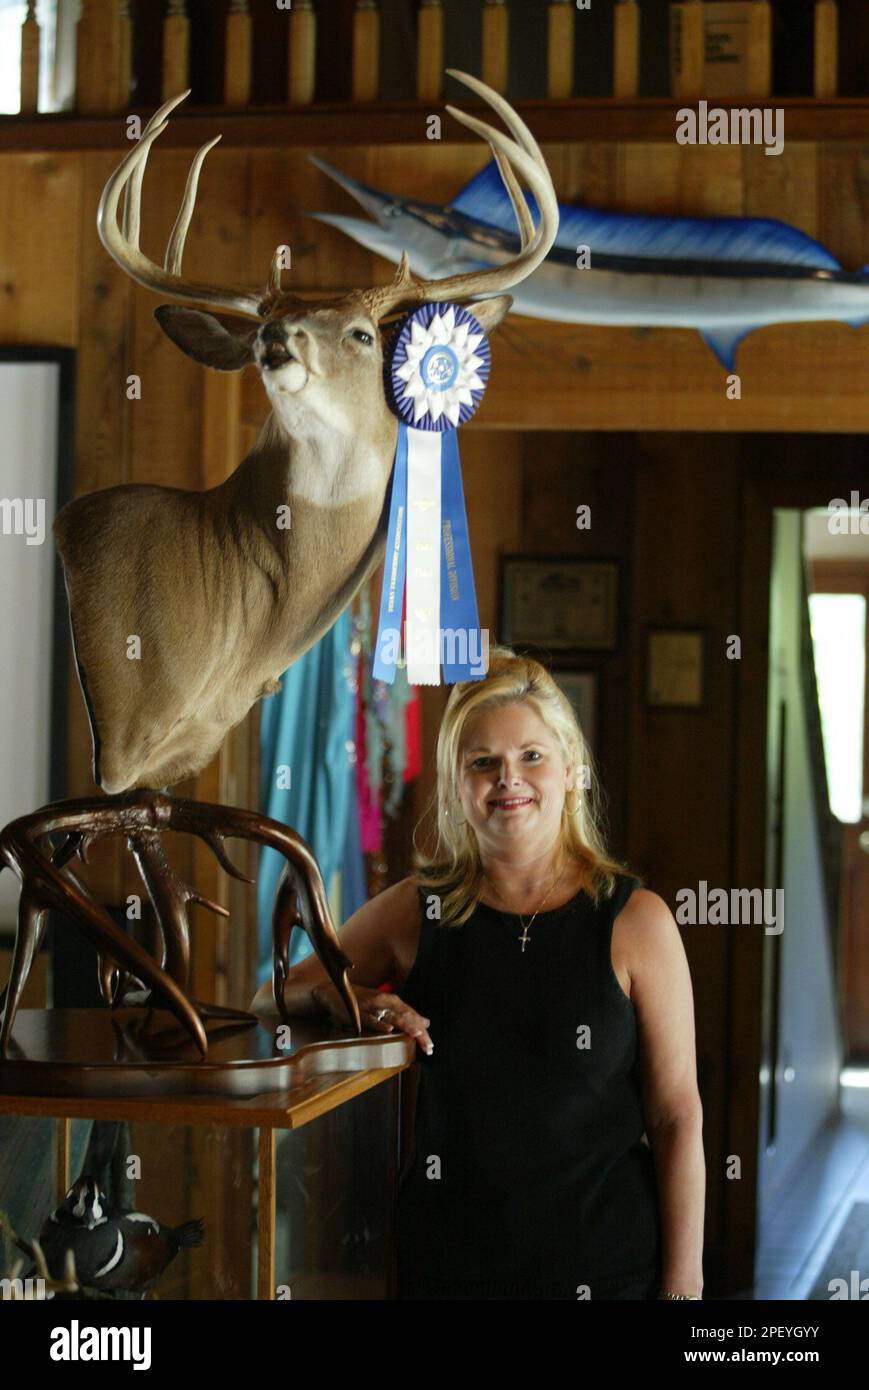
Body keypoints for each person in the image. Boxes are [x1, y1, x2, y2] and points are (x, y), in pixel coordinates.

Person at [251, 645, 704, 1300]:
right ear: (455, 784)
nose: (507, 779)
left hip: (602, 1269)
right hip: (447, 1270)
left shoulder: (637, 922)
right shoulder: (415, 909)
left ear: (571, 770)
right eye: (482, 762)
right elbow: (269, 997)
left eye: (531, 756)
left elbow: (674, 1115)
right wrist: (353, 1000)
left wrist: (683, 1286)